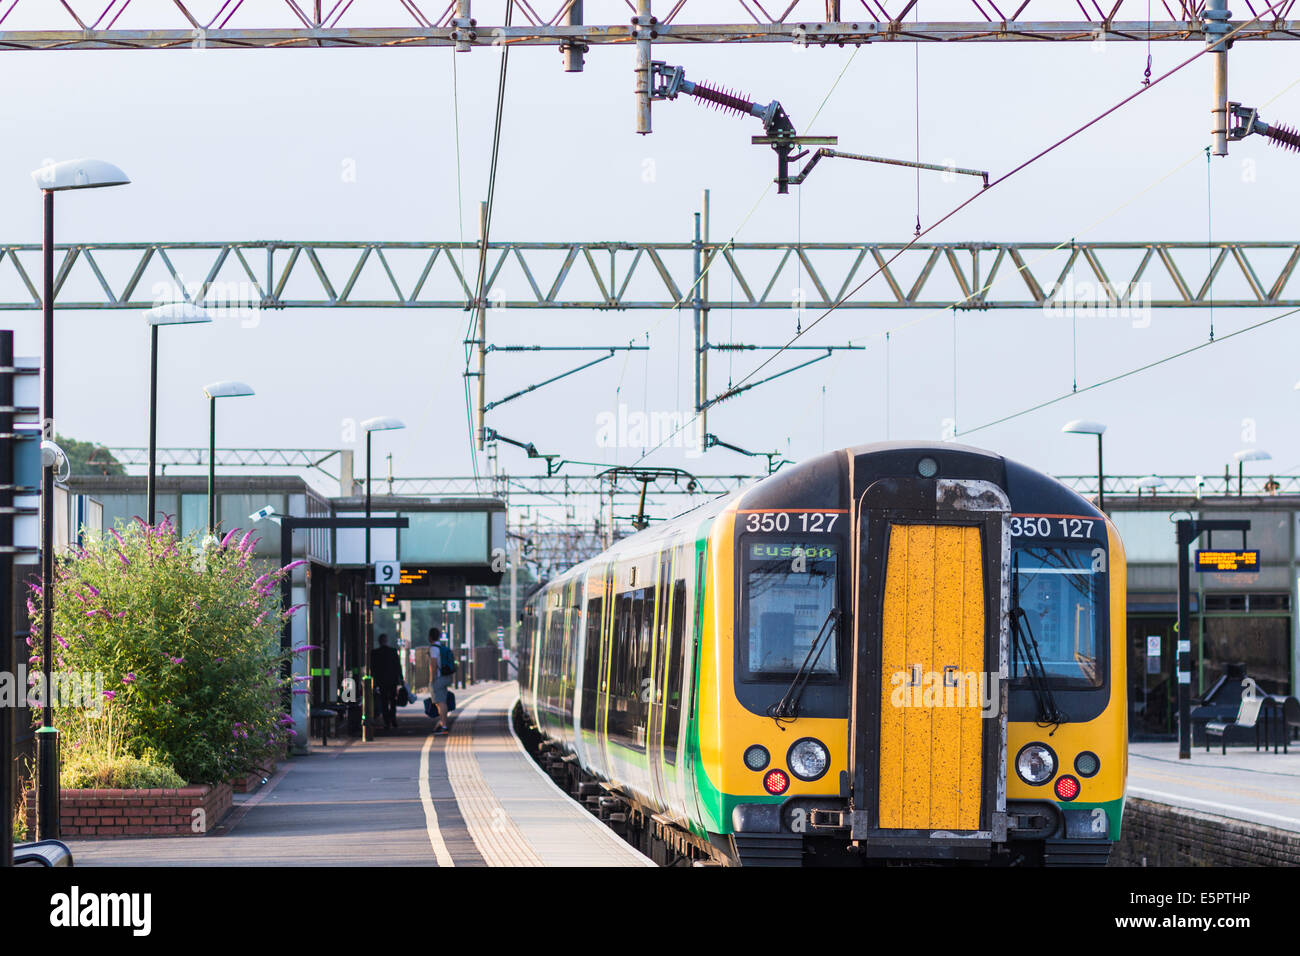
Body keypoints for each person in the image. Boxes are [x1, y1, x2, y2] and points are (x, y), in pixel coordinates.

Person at [427, 626, 455, 735]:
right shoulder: (442, 647)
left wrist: (431, 679)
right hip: (446, 677)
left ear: (430, 637)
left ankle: (444, 725)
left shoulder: (433, 648)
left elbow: (433, 665)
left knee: (441, 702)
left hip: (438, 678)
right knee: (441, 701)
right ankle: (442, 722)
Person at [372, 633, 402, 731]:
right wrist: (400, 678)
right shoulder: (393, 651)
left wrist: (374, 680)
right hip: (392, 680)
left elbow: (373, 668)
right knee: (393, 700)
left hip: (381, 681)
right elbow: (398, 666)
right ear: (386, 641)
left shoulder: (375, 653)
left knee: (384, 701)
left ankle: (386, 722)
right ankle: (393, 718)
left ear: (379, 642)